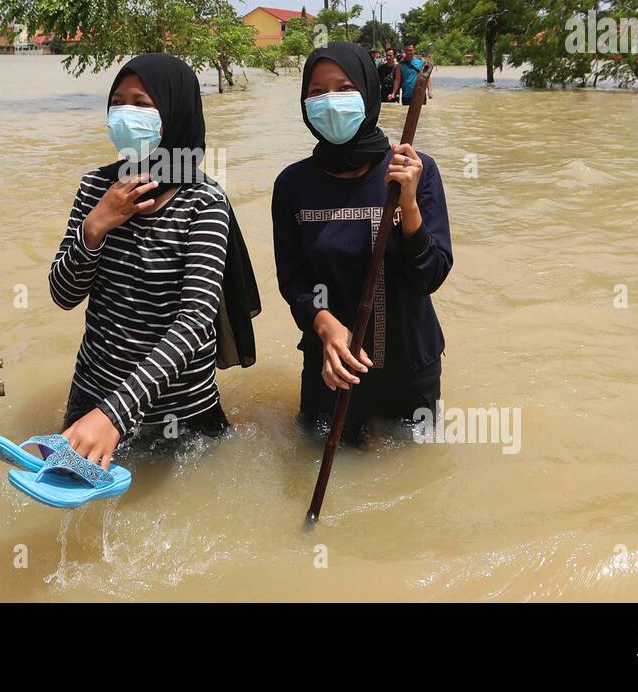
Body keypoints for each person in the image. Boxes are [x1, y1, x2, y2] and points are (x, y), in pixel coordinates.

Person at [48, 53, 259, 468]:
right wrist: (94, 229)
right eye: (118, 102)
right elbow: (63, 295)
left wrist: (116, 413)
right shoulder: (95, 186)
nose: (126, 114)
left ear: (175, 112)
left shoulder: (203, 201)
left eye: (142, 104)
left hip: (179, 412)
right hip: (92, 395)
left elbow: (195, 321)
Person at [271, 42, 452, 444]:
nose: (330, 102)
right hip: (330, 367)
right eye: (317, 92)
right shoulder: (292, 185)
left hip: (410, 367)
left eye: (344, 87)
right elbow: (293, 280)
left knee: (414, 483)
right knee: (317, 464)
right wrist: (325, 324)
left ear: (369, 92)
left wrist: (408, 203)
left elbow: (432, 275)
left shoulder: (414, 169)